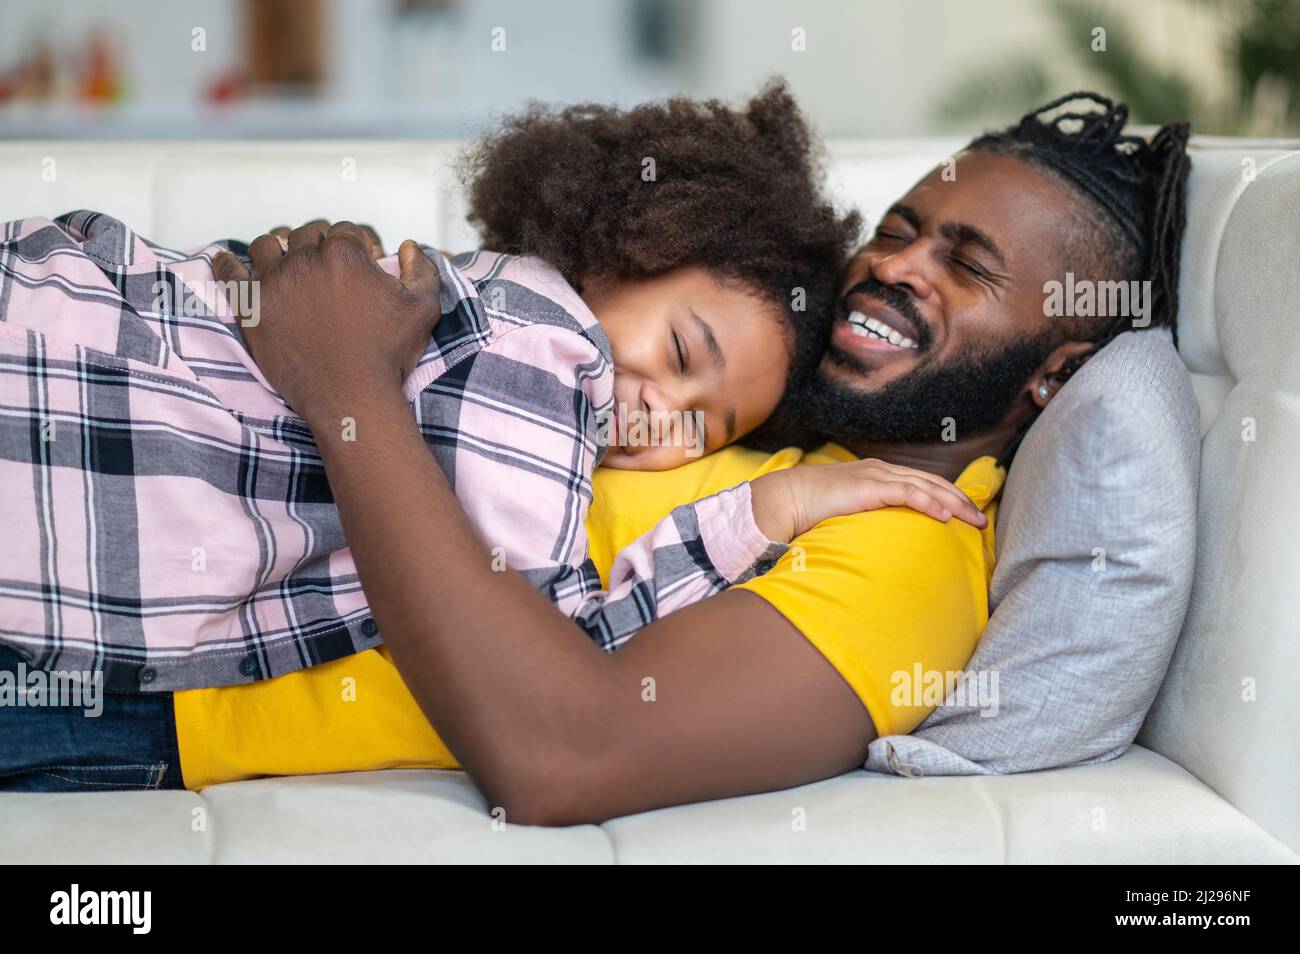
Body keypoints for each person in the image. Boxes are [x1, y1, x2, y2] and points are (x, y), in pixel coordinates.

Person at [0, 93, 1190, 824]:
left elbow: (566, 749)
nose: (895, 269)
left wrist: (348, 386)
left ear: (1049, 368)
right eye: (899, 231)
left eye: (967, 268)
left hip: (135, 676)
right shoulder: (771, 387)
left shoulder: (907, 547)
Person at [0, 83, 981, 690]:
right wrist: (767, 507)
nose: (663, 411)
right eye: (682, 352)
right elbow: (542, 651)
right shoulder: (537, 339)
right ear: (625, 252)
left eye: (707, 425)